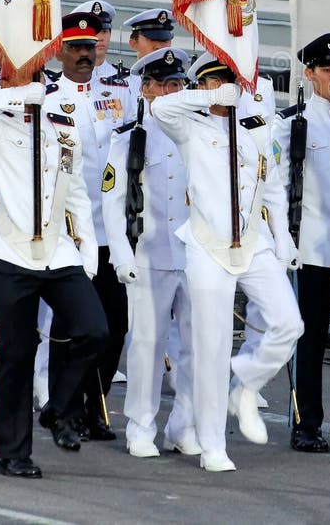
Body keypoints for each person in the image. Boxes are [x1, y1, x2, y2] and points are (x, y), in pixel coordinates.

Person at [152, 52, 303, 472]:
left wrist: (283, 239)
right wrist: (207, 96)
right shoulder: (189, 127)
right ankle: (211, 442)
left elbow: (271, 187)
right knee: (211, 346)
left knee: (289, 323)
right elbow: (161, 106)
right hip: (207, 243)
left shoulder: (255, 127)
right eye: (216, 83)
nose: (226, 90)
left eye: (230, 82)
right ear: (202, 85)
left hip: (253, 242)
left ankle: (246, 384)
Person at [0, 70, 109, 478]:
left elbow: (75, 192)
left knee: (95, 330)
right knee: (17, 352)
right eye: (20, 79)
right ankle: (14, 452)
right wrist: (15, 94)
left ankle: (56, 408)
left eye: (35, 79)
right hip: (11, 250)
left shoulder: (63, 128)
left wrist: (89, 253)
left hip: (58, 252)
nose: (32, 86)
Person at [272, 33, 330, 454]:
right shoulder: (291, 121)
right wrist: (280, 240)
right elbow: (276, 185)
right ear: (309, 74)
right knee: (310, 334)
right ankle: (305, 421)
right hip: (311, 239)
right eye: (328, 69)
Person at [103, 46, 197, 458]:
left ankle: (184, 425)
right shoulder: (129, 138)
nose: (170, 91)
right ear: (145, 89)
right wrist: (122, 255)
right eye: (162, 84)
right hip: (149, 254)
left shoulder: (199, 131)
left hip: (194, 254)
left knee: (197, 347)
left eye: (176, 83)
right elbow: (112, 199)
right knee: (147, 344)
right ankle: (141, 426)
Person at [42, 11, 131, 442]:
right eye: (75, 47)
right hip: (69, 232)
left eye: (90, 47)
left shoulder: (119, 95)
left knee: (115, 324)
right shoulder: (48, 96)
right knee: (70, 325)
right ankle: (65, 408)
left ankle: (96, 406)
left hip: (112, 230)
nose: (83, 55)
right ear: (59, 50)